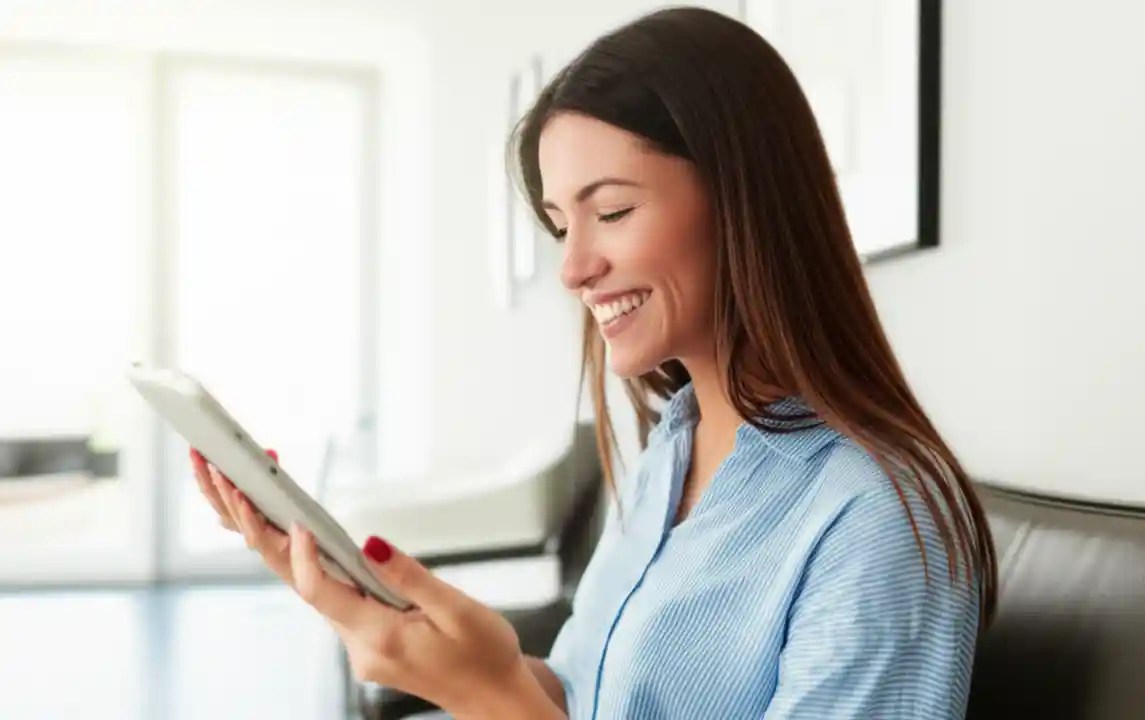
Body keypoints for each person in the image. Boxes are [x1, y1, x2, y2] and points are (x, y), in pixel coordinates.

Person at [190, 6, 997, 719]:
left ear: (743, 198)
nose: (573, 269)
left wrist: (487, 694)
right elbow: (587, 698)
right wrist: (420, 641)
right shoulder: (673, 450)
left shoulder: (882, 519)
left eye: (610, 211)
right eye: (559, 224)